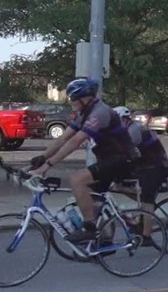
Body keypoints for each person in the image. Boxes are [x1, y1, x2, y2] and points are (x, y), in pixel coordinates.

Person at [28, 78, 138, 243]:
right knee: (92, 200)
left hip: (121, 159)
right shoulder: (84, 113)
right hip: (108, 158)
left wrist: (47, 166)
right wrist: (42, 158)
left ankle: (89, 229)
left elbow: (75, 142)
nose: (71, 102)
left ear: (85, 98)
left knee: (77, 180)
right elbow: (63, 138)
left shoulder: (99, 113)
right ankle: (105, 242)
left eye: (73, 98)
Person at [114, 106, 168, 247]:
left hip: (156, 166)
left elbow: (126, 152)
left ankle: (147, 236)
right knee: (117, 186)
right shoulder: (125, 129)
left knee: (147, 201)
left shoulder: (134, 130)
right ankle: (141, 206)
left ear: (124, 119)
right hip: (143, 166)